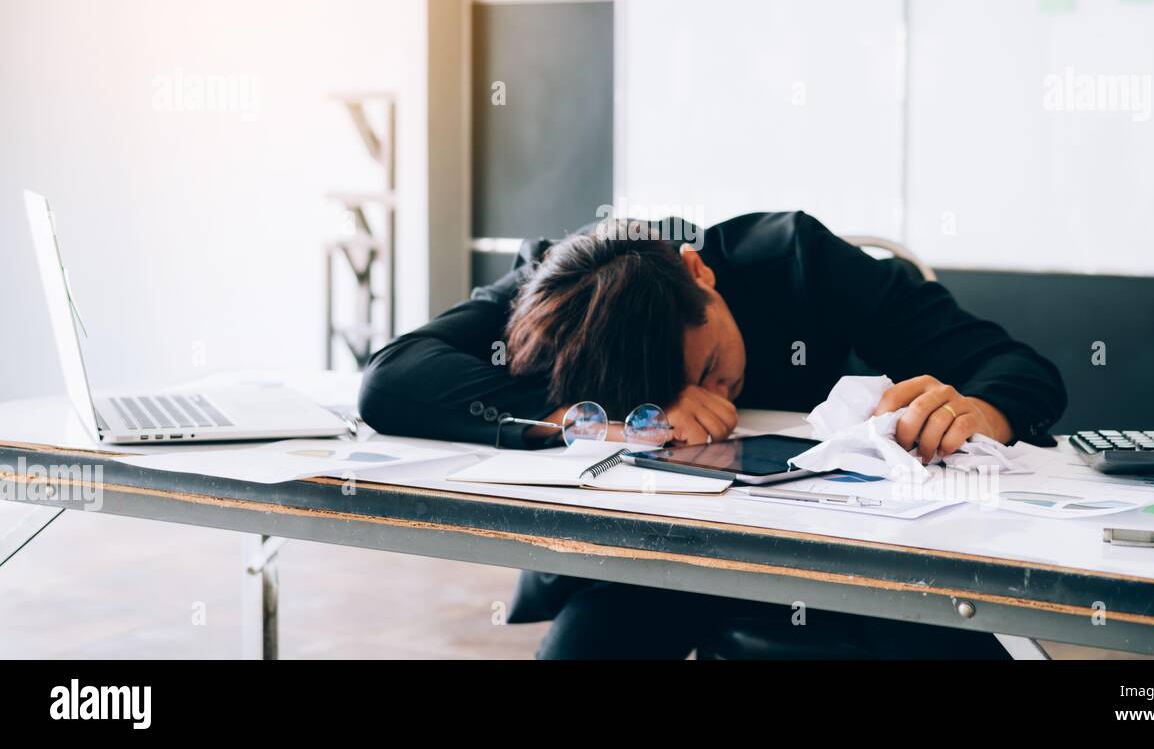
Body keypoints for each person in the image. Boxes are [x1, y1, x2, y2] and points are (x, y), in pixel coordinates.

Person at [359, 211, 1067, 659]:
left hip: (837, 558)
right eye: (666, 393)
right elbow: (392, 377)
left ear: (701, 273)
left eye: (705, 367)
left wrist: (981, 412)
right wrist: (588, 420)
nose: (705, 400)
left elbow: (1020, 369)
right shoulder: (560, 291)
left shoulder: (798, 263)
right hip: (648, 561)